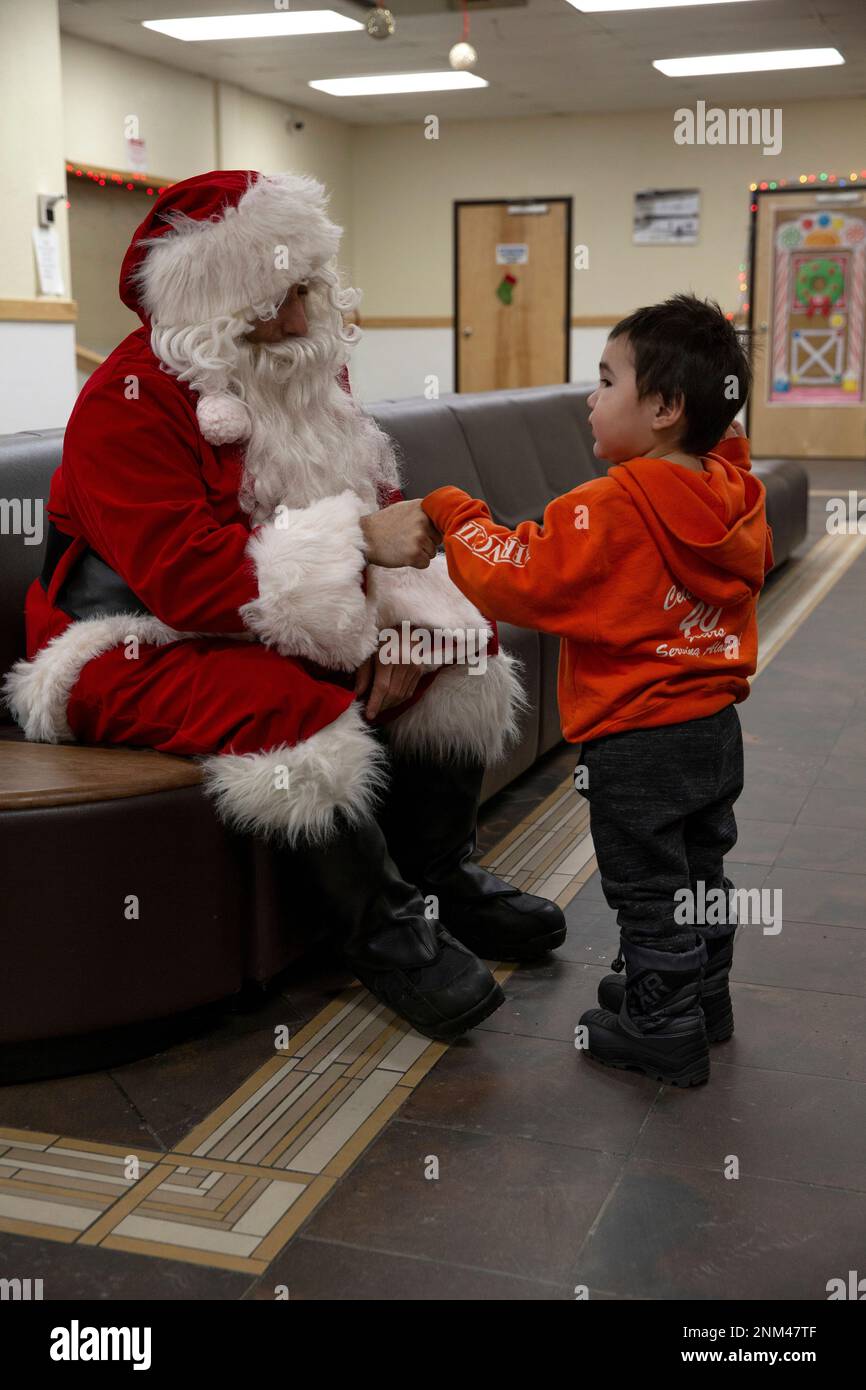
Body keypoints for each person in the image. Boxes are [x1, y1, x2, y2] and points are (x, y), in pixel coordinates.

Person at [5, 169, 566, 1044]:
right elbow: (189, 582)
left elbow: (378, 515)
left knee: (456, 637)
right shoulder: (126, 405)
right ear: (216, 301)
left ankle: (440, 876)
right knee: (285, 709)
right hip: (124, 641)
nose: (304, 319)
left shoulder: (302, 368)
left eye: (305, 287)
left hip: (270, 620)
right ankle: (382, 933)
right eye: (278, 299)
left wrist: (399, 617)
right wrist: (356, 553)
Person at [420, 294, 773, 1085]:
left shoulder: (611, 504)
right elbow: (731, 449)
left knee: (646, 888)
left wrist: (448, 511)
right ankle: (702, 997)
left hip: (638, 737)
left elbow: (522, 579)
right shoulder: (732, 493)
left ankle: (661, 1026)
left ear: (665, 406)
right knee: (701, 870)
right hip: (714, 728)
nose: (590, 396)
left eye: (606, 380)